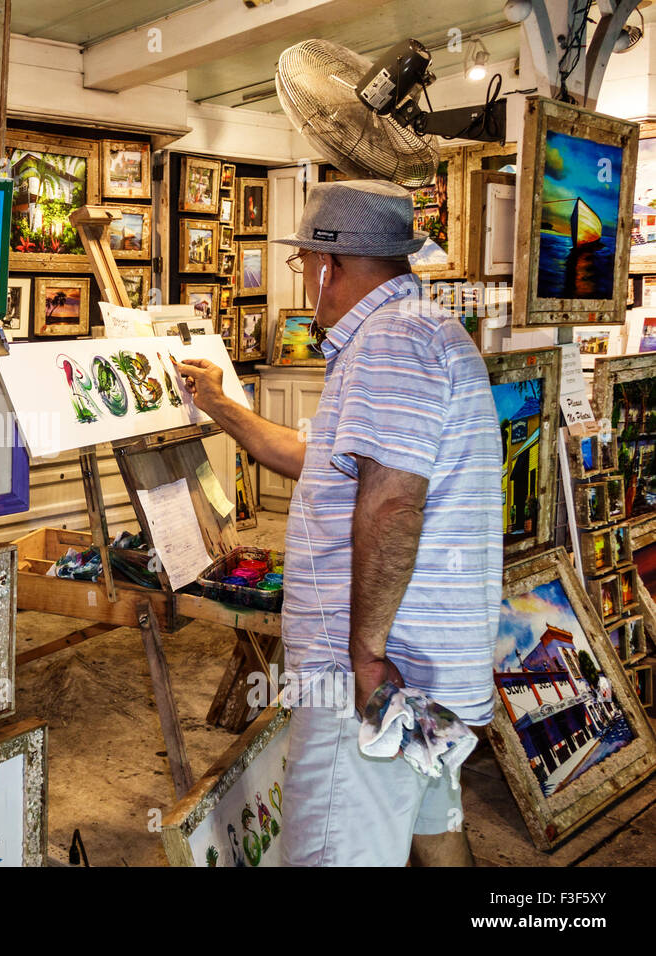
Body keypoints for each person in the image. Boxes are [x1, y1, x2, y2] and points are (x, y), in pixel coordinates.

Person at [174, 180, 502, 867]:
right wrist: (219, 405)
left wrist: (364, 658)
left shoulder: (390, 340)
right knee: (433, 828)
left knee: (332, 848)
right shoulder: (418, 327)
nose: (305, 281)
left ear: (331, 266)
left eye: (302, 265)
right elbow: (319, 458)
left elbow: (391, 504)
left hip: (381, 675)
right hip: (422, 666)